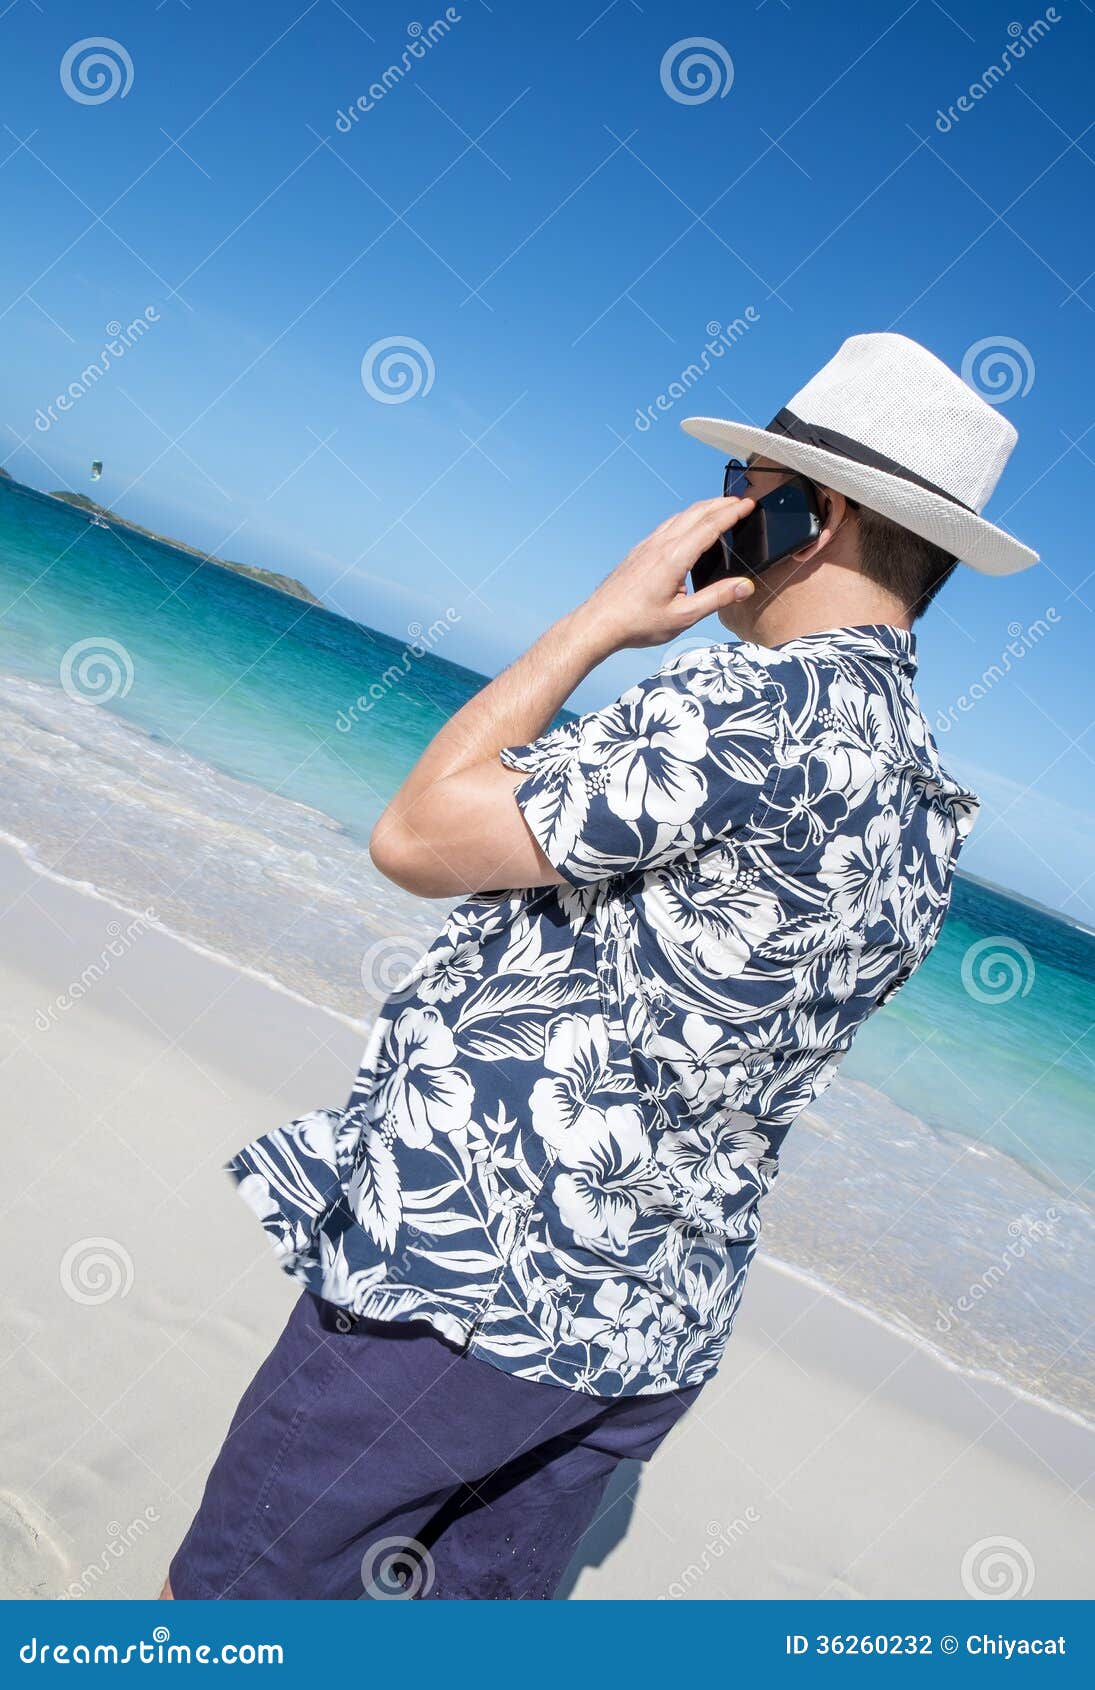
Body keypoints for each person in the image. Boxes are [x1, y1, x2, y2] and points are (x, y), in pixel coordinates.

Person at [164, 332, 1038, 1600]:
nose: (723, 510)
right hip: (651, 1325)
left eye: (744, 485)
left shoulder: (746, 706)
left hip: (469, 1287)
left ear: (816, 514)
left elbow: (417, 835)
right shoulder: (927, 805)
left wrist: (602, 619)